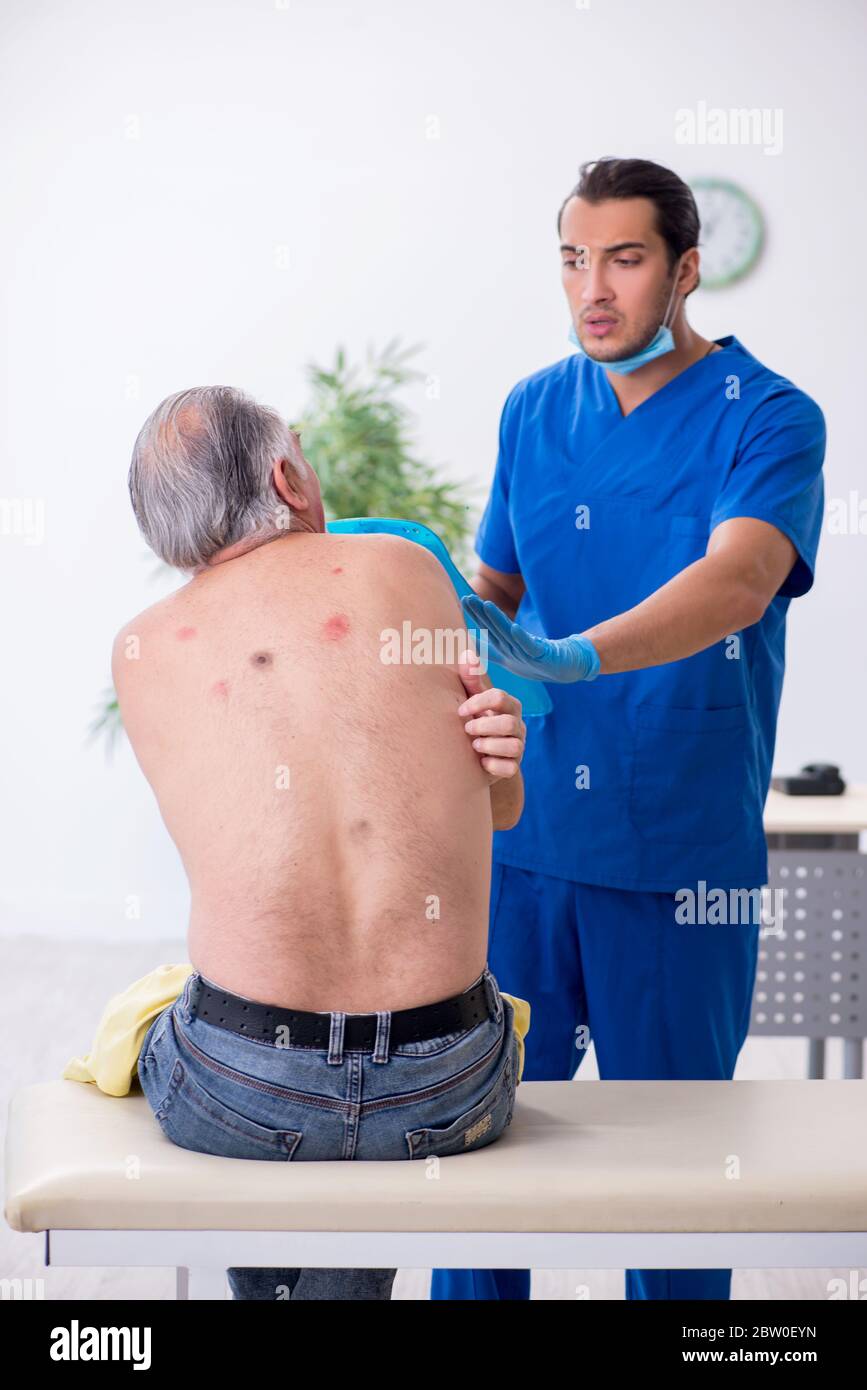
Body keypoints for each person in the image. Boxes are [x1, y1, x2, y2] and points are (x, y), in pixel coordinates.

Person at [430, 157, 825, 1302]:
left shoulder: (772, 418)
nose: (591, 287)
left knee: (681, 1182)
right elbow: (493, 592)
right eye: (572, 259)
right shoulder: (533, 408)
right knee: (482, 1161)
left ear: (687, 270)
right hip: (526, 839)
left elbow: (740, 579)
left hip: (678, 855)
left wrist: (575, 654)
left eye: (624, 258)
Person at [117, 384, 529, 1300]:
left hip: (241, 1088)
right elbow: (503, 812)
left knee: (184, 1034)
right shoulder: (406, 569)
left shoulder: (143, 649)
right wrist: (502, 759)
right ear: (287, 475)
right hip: (449, 1081)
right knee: (357, 1116)